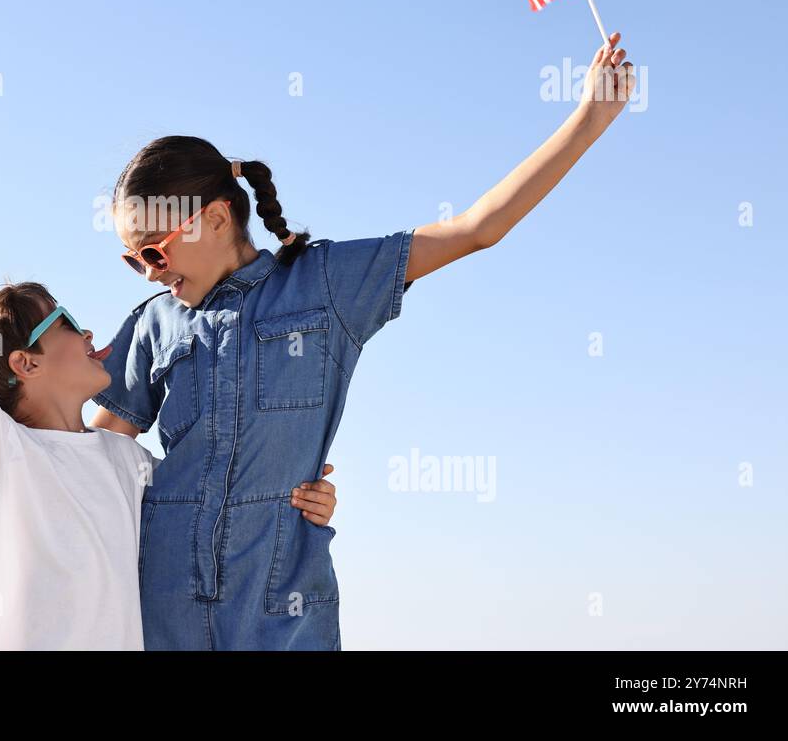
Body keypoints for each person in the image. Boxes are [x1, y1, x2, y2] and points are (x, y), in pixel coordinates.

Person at [90, 36, 637, 650]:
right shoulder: (152, 324)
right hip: (162, 608)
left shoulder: (327, 285)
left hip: (281, 613)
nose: (151, 272)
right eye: (133, 262)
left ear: (217, 217)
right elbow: (94, 461)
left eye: (155, 252)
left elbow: (476, 229)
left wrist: (588, 120)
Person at [0, 164, 342, 649]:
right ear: (25, 364)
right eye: (66, 324)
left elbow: (218, 498)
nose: (89, 333)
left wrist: (299, 495)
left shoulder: (129, 462)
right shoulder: (4, 450)